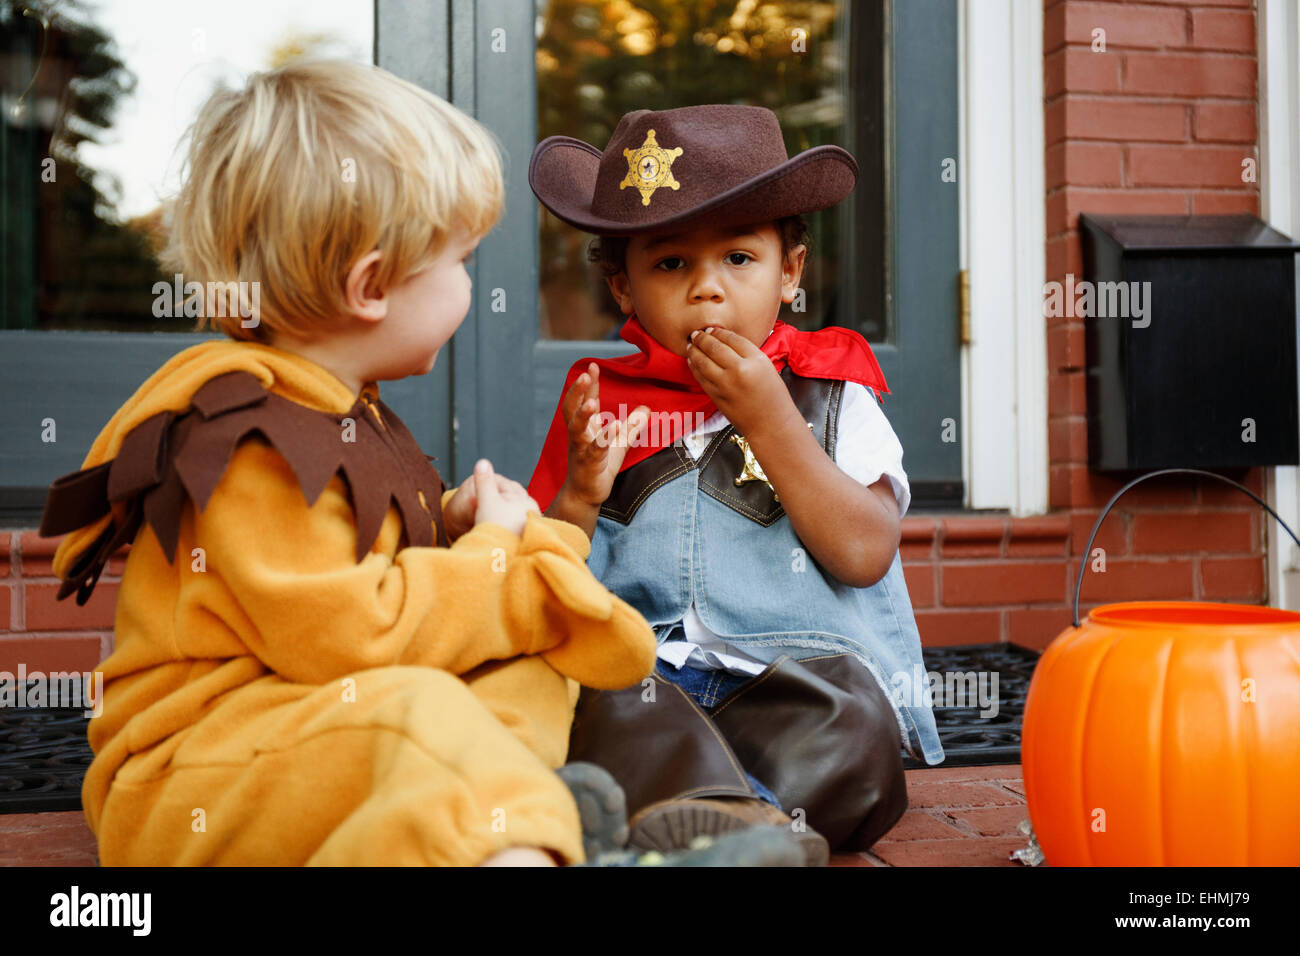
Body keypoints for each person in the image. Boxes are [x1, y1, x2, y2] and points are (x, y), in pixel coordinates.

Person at [37, 58, 685, 867]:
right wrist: (493, 559)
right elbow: (357, 638)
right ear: (371, 284)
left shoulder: (340, 410)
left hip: (315, 733)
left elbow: (358, 570)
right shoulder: (251, 444)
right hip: (198, 775)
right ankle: (521, 847)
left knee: (527, 667)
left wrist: (447, 522)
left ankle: (521, 821)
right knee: (416, 709)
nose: (469, 285)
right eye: (460, 262)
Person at [528, 104, 946, 866]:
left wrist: (771, 419)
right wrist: (581, 498)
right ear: (623, 288)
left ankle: (709, 817)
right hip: (656, 681)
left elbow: (863, 553)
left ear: (790, 273)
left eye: (739, 260)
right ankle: (741, 830)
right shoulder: (600, 404)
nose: (707, 290)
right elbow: (548, 575)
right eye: (670, 264)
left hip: (800, 685)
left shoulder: (832, 390)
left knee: (854, 730)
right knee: (603, 698)